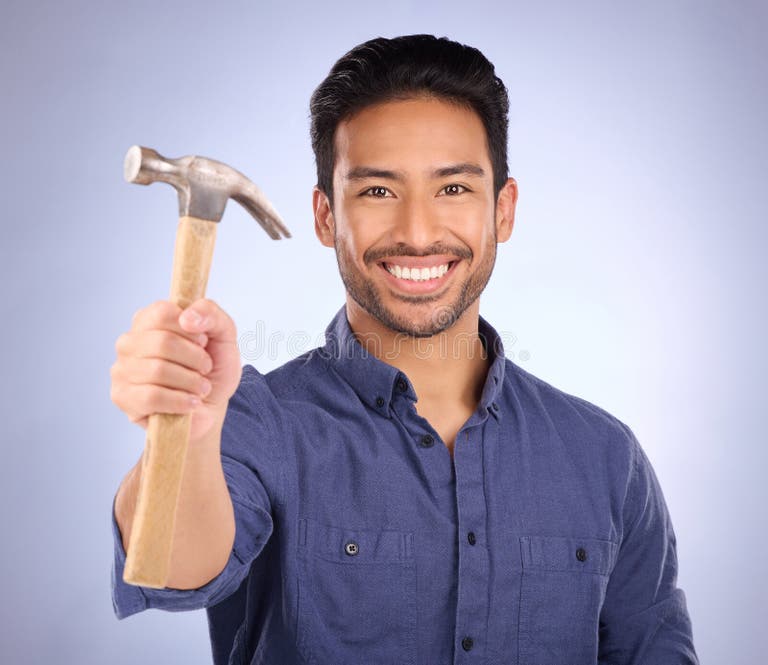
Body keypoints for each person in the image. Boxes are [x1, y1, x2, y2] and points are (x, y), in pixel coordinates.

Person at [110, 34, 698, 664]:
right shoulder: (254, 420)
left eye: (452, 189)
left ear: (503, 209)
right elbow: (171, 570)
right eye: (377, 192)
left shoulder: (605, 457)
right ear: (325, 215)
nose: (418, 234)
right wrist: (187, 434)